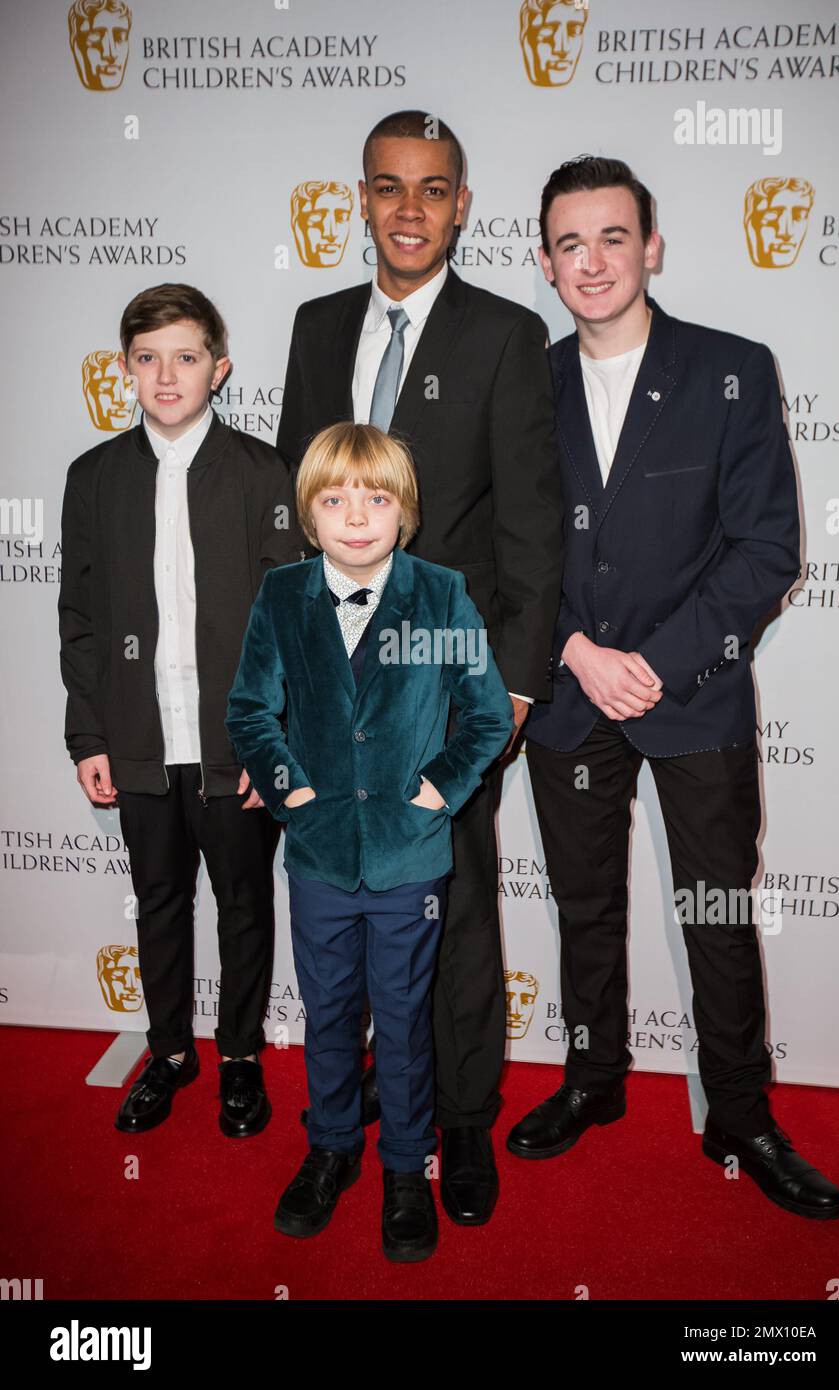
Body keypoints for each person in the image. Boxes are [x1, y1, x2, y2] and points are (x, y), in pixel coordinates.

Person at [512, 156, 839, 1221]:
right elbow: (501, 552)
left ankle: (739, 1112)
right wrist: (570, 649)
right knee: (583, 907)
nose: (593, 260)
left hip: (692, 697)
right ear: (544, 262)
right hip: (568, 697)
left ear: (649, 247)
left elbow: (765, 550)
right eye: (570, 242)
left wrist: (653, 664)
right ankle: (590, 1078)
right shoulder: (527, 387)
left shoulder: (729, 369)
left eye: (613, 236)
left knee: (712, 911)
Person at [275, 109, 563, 1225]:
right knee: (333, 914)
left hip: (446, 676)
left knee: (454, 909)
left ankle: (457, 1122)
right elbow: (292, 518)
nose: (409, 208)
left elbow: (533, 528)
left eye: (433, 188)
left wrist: (517, 682)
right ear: (360, 197)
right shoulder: (312, 327)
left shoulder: (500, 335)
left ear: (460, 205)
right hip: (326, 683)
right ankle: (338, 1133)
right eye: (389, 187)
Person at [225, 422, 513, 1261]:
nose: (357, 516)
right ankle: (331, 1148)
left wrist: (439, 790)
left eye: (377, 498)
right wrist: (293, 794)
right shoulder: (282, 596)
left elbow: (489, 714)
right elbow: (249, 711)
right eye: (335, 499)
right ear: (309, 515)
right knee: (327, 1015)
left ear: (405, 511)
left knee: (404, 1016)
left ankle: (402, 1166)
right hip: (316, 856)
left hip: (409, 858)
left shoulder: (440, 593)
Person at [59, 283, 294, 1137]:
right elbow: (79, 620)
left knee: (243, 903)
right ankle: (167, 1054)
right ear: (125, 369)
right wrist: (89, 734)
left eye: (186, 357)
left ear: (218, 368)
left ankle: (238, 1058)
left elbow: (291, 624)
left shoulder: (266, 472)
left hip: (236, 742)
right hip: (140, 737)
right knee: (156, 901)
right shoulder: (93, 479)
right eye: (149, 358)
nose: (167, 375)